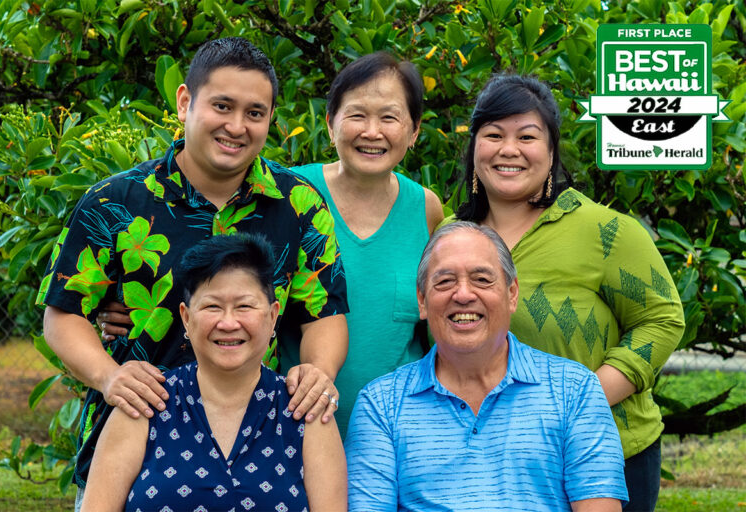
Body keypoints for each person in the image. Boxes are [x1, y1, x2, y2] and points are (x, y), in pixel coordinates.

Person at [36, 37, 349, 502]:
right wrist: (109, 376)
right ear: (185, 102)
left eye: (255, 113)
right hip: (133, 439)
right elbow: (63, 314)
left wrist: (318, 372)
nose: (236, 126)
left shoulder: (298, 204)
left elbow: (323, 312)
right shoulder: (114, 202)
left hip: (257, 444)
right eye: (222, 106)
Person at [445, 74, 685, 510]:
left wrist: (581, 403)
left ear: (552, 150)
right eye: (494, 135)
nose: (509, 149)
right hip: (488, 460)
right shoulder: (449, 238)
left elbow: (662, 318)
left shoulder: (605, 231)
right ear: (474, 146)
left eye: (527, 137)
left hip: (605, 452)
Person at [345, 222, 628, 511]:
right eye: (445, 282)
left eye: (482, 279)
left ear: (512, 293)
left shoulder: (575, 389)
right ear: (422, 301)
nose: (463, 294)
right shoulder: (381, 404)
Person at [80, 233, 346, 512]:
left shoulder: (306, 409)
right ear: (186, 317)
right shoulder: (145, 402)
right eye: (212, 306)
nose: (228, 323)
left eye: (244, 306)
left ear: (272, 316)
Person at [285, 52, 444, 435]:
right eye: (357, 115)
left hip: (399, 436)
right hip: (295, 430)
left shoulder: (426, 209)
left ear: (414, 131)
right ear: (330, 123)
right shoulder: (289, 193)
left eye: (389, 118)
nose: (372, 132)